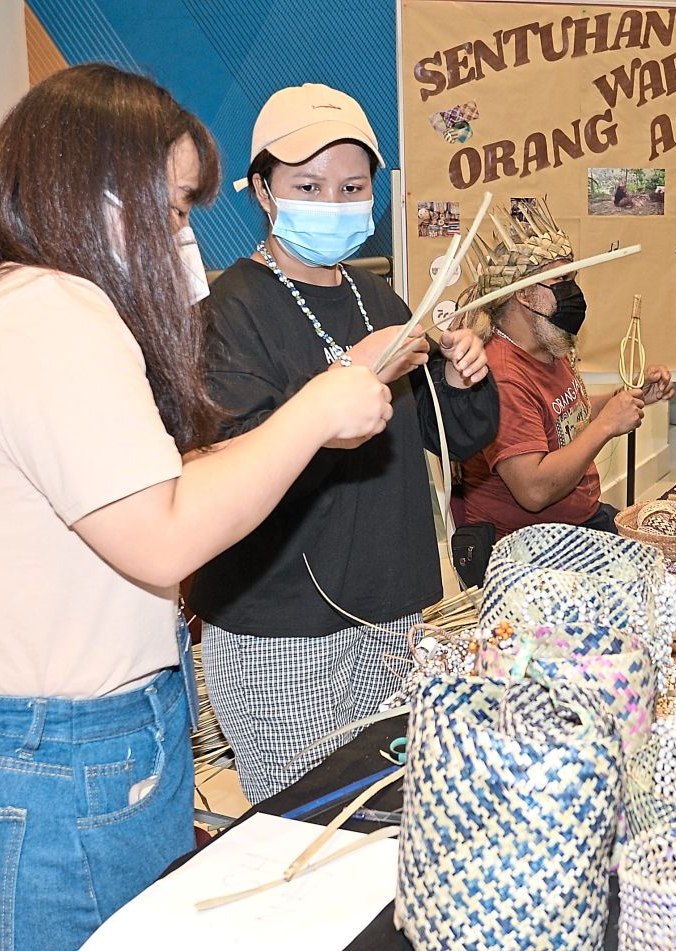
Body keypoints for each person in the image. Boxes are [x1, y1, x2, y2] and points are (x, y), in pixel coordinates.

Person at [0, 65, 393, 950]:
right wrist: (320, 407)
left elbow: (154, 479)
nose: (180, 235)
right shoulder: (49, 309)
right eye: (167, 209)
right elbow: (161, 533)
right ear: (89, 189)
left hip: (94, 735)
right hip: (62, 751)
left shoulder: (25, 304)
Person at [186, 84, 498, 804]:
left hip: (389, 608)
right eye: (308, 185)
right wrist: (352, 366)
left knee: (386, 813)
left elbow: (453, 437)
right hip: (282, 627)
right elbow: (235, 465)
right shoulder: (227, 311)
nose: (332, 202)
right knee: (304, 825)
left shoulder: (379, 298)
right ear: (263, 190)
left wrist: (461, 378)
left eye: (351, 186)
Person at [455, 202, 673, 539]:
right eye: (562, 281)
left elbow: (563, 416)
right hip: (530, 545)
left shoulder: (546, 345)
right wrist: (605, 426)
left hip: (579, 522)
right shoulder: (502, 375)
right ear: (525, 294)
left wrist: (627, 396)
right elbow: (534, 491)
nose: (573, 292)